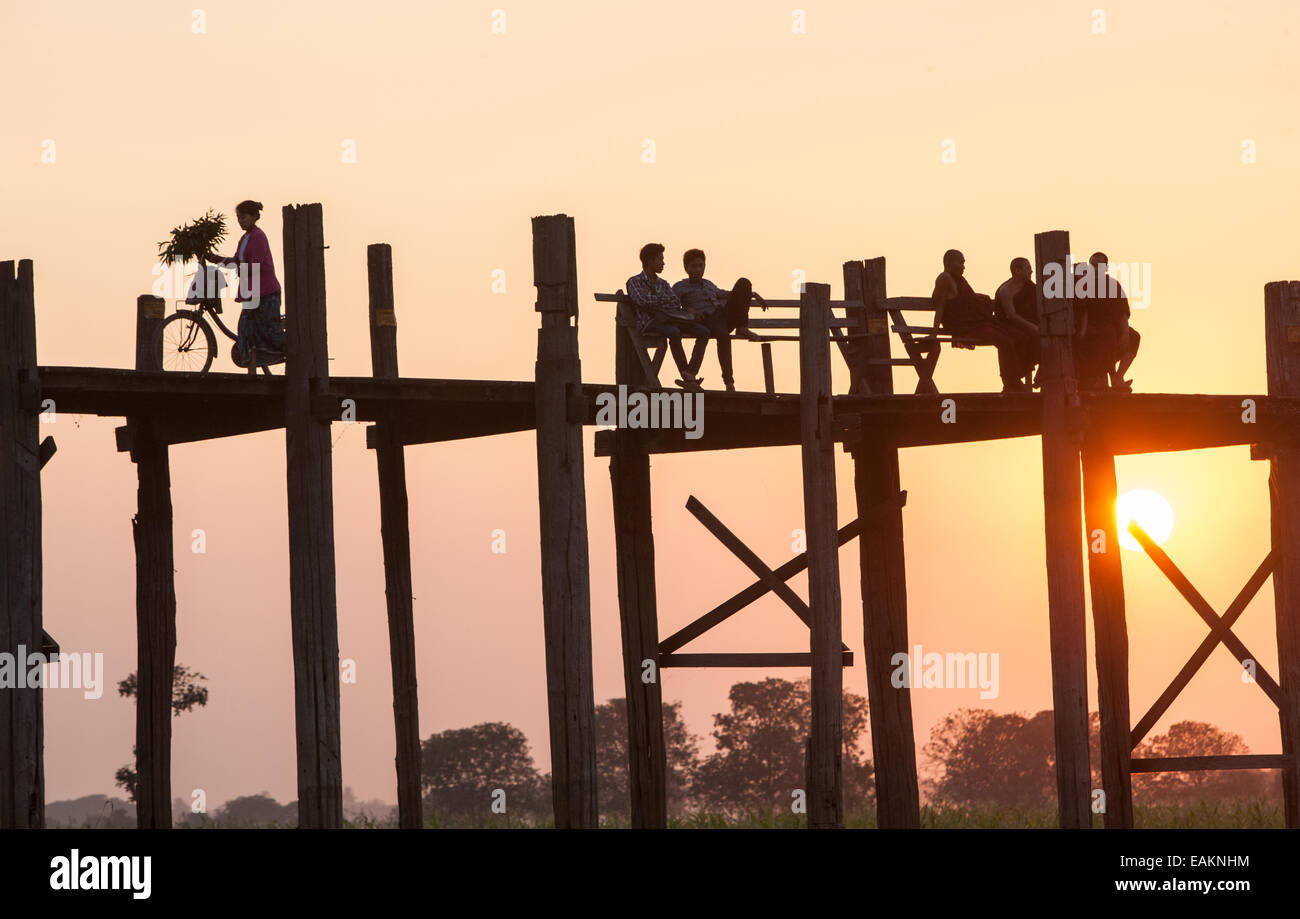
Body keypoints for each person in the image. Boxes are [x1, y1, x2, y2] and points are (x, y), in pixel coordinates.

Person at [672, 249, 768, 392]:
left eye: (700, 266)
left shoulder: (708, 284)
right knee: (723, 336)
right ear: (686, 268)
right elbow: (672, 306)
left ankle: (742, 327)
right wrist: (689, 311)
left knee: (744, 282)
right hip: (704, 320)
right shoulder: (680, 287)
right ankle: (729, 382)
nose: (698, 269)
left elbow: (724, 294)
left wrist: (750, 294)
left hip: (721, 316)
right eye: (693, 266)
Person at [203, 199, 286, 366]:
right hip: (252, 293)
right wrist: (214, 258)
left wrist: (239, 267)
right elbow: (236, 261)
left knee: (270, 331)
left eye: (244, 217)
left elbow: (254, 265)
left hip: (266, 292)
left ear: (254, 216)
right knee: (246, 329)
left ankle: (290, 354)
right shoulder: (245, 239)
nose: (241, 221)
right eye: (239, 218)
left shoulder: (258, 237)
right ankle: (253, 360)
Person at [931, 249, 1025, 392]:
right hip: (962, 326)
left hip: (974, 323)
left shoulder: (959, 279)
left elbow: (969, 300)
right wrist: (934, 334)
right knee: (1003, 339)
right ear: (950, 263)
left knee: (1014, 334)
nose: (963, 267)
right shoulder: (944, 278)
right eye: (960, 262)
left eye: (964, 263)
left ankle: (1013, 380)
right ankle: (1011, 383)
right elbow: (940, 307)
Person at [626, 243, 709, 389]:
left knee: (704, 332)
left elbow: (675, 303)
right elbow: (642, 301)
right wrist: (661, 300)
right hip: (649, 322)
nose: (663, 263)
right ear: (650, 261)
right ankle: (685, 374)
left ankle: (691, 372)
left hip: (670, 318)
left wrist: (656, 300)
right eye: (660, 259)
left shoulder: (663, 283)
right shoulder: (634, 281)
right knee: (674, 332)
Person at [1076, 251, 1140, 391]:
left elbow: (1122, 312)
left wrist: (1124, 332)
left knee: (1134, 336)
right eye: (1094, 265)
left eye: (1100, 265)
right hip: (1091, 326)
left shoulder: (1113, 284)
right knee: (1107, 335)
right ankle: (1108, 378)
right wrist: (1083, 330)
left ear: (1106, 267)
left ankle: (1118, 376)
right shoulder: (1083, 284)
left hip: (1112, 325)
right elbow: (1083, 311)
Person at [993, 257, 1039, 389]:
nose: (1031, 271)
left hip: (1027, 324)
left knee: (1045, 336)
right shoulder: (1006, 290)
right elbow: (1011, 316)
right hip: (1007, 325)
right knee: (1019, 338)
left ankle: (1042, 373)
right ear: (1017, 271)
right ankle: (1012, 380)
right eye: (1027, 268)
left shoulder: (1031, 288)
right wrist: (1033, 327)